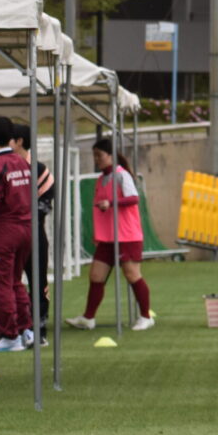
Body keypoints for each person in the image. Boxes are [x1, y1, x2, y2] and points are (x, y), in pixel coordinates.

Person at [66, 139, 153, 332]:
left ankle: (146, 316)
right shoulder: (100, 179)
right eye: (95, 155)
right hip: (107, 238)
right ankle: (88, 318)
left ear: (111, 156)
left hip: (127, 236)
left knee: (132, 274)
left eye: (100, 155)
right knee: (96, 275)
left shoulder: (122, 176)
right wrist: (98, 233)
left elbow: (134, 198)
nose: (97, 160)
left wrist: (112, 203)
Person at [0, 116, 34, 353]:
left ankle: (10, 335)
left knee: (0, 284)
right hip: (26, 228)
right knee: (15, 282)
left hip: (4, 231)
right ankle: (26, 330)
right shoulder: (23, 161)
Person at [12, 125, 54, 340]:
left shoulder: (39, 169)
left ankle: (39, 331)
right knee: (9, 283)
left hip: (34, 236)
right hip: (9, 237)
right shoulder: (2, 168)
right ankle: (14, 330)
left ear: (19, 141)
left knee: (38, 284)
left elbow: (45, 205)